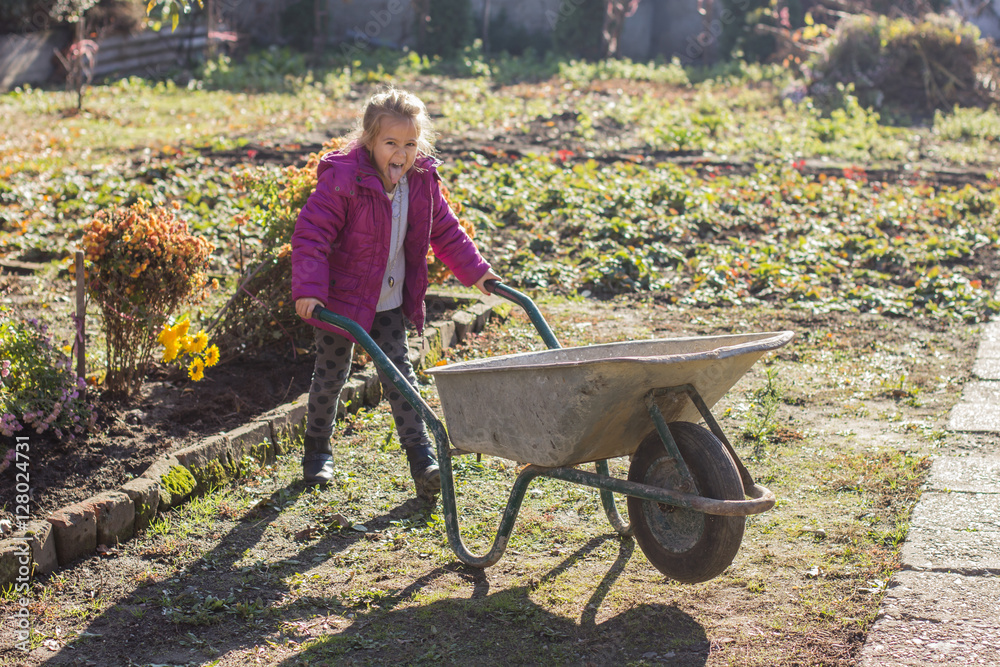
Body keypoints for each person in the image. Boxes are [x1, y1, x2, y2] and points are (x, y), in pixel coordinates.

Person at [291, 87, 500, 500]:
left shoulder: (421, 181)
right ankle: (317, 451)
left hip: (387, 298)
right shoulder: (345, 179)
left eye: (409, 143)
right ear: (369, 140)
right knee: (332, 376)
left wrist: (478, 274)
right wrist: (310, 291)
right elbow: (311, 236)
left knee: (400, 376)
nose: (401, 154)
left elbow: (446, 231)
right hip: (341, 301)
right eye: (391, 143)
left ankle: (422, 460)